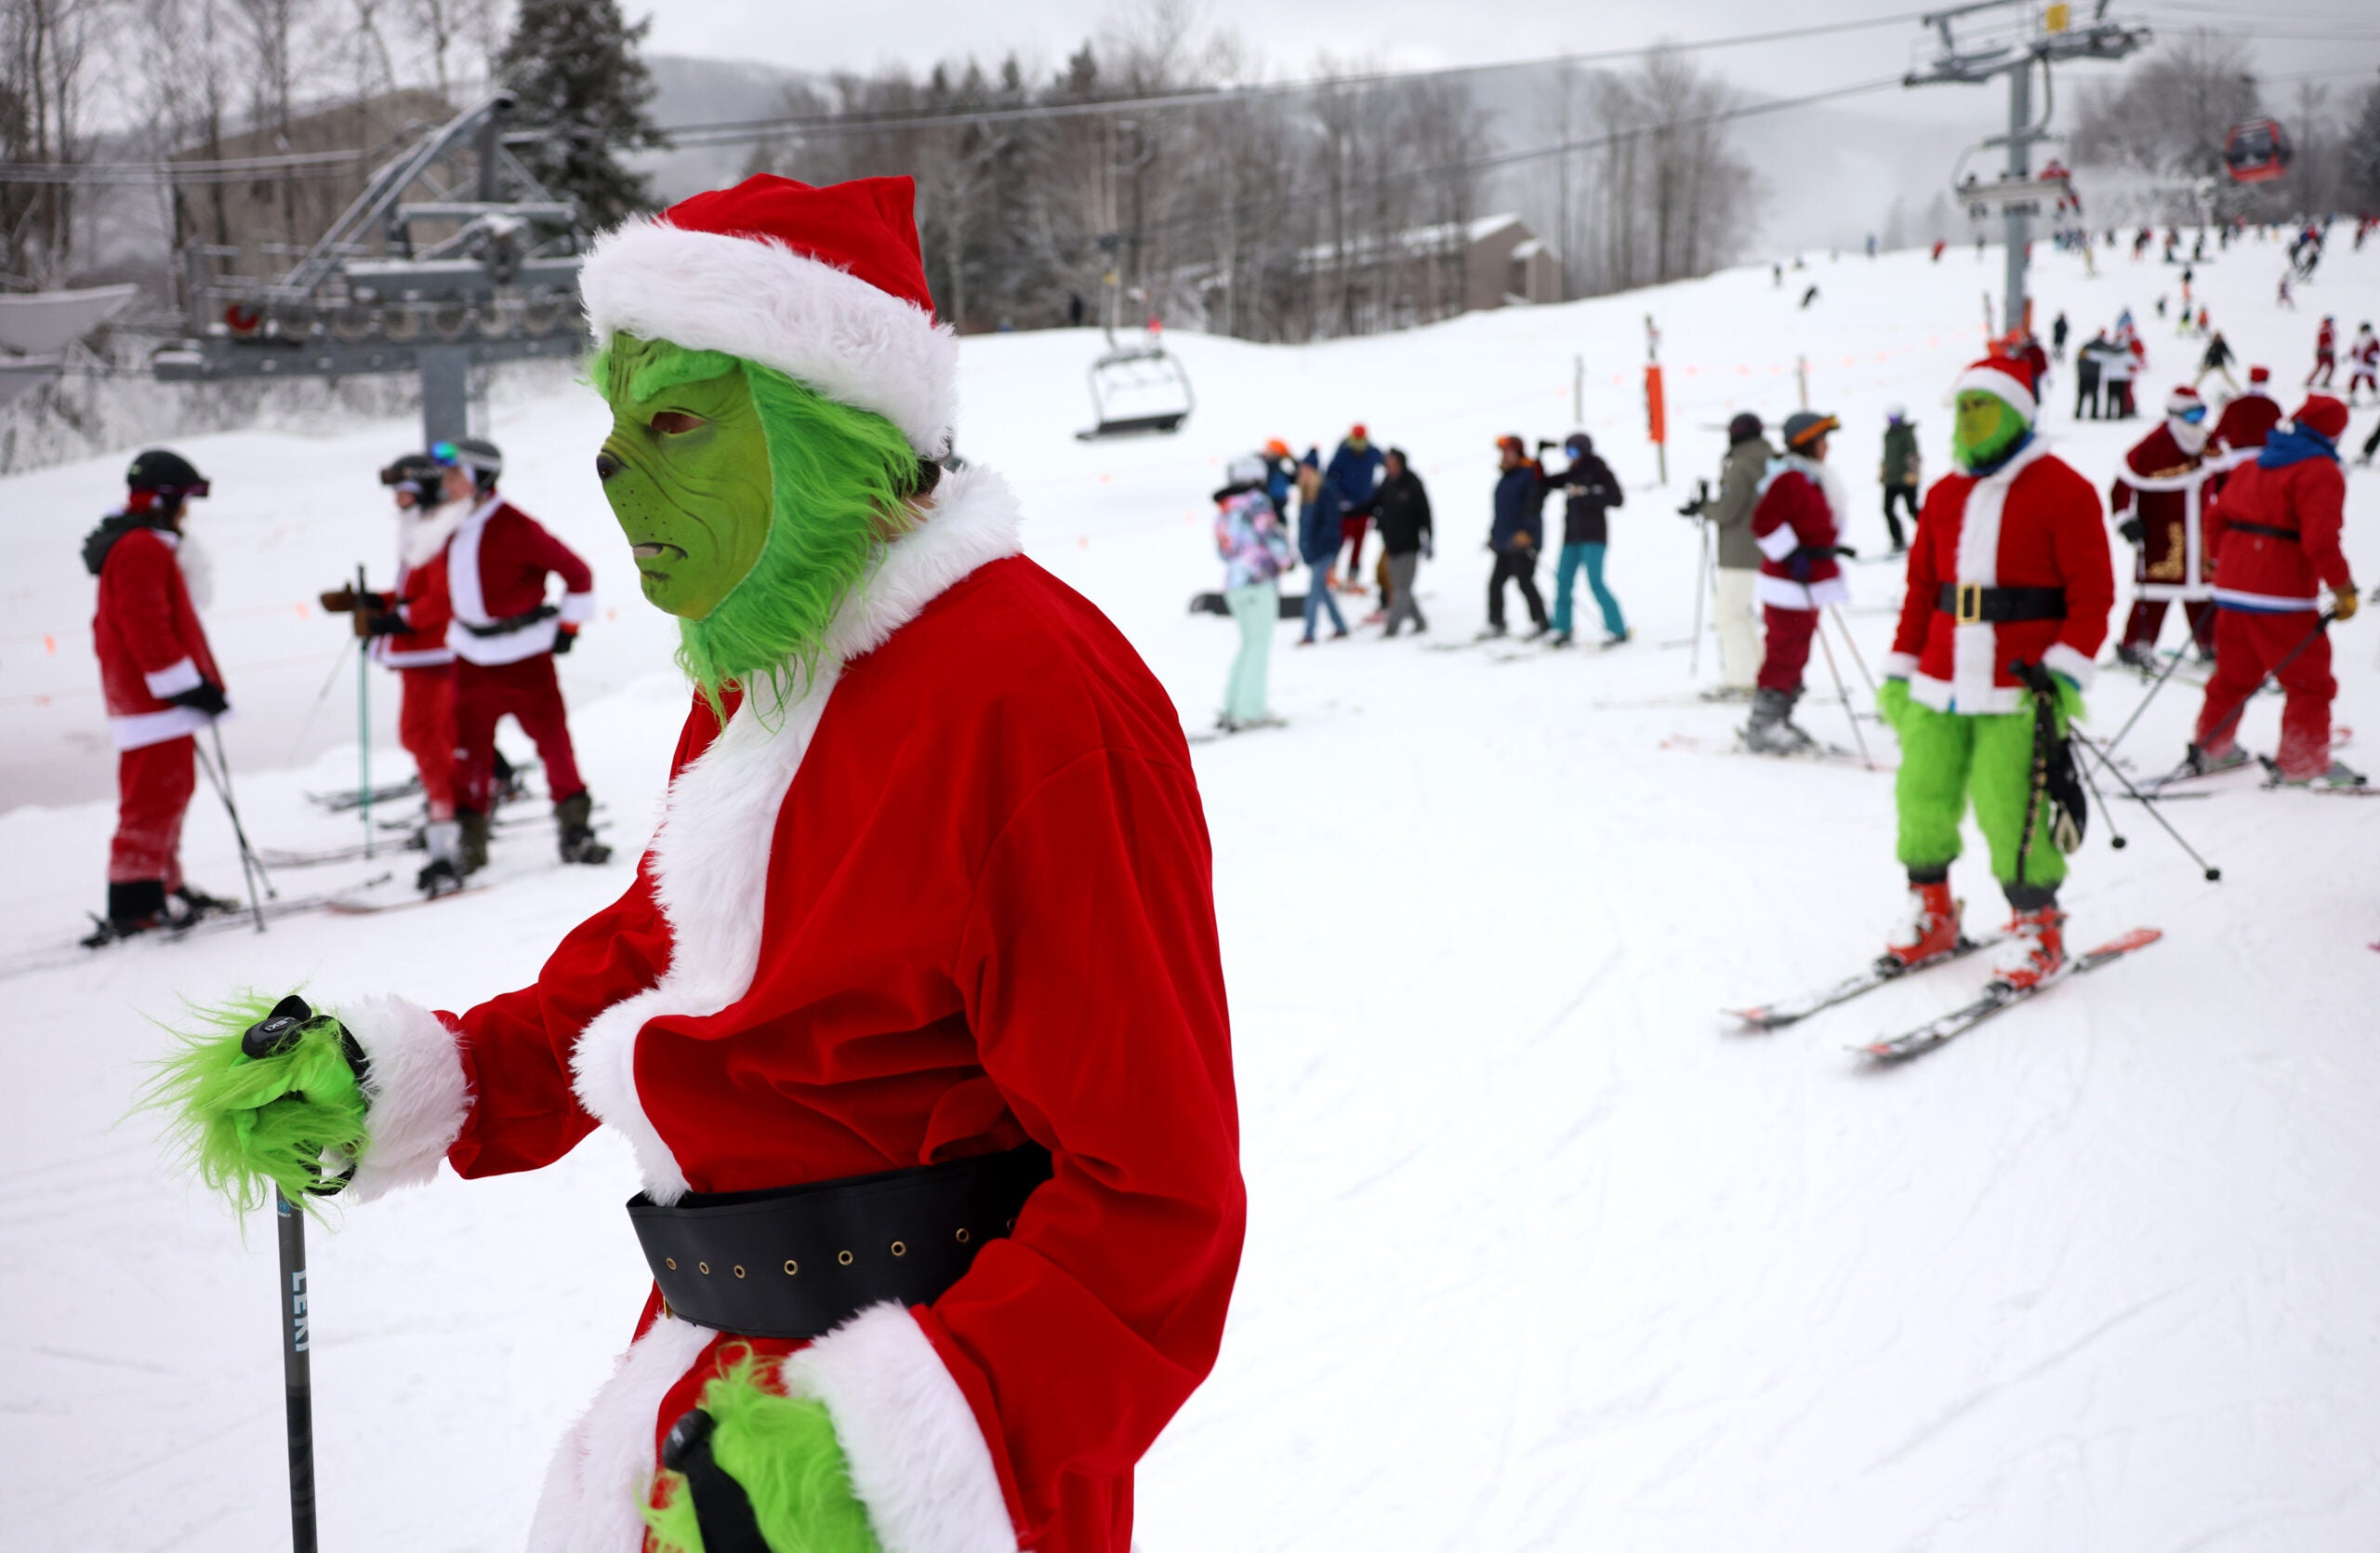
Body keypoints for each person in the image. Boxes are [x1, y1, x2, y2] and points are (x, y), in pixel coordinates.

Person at [159, 172, 1246, 1553]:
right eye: (613, 426)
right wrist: (431, 1080)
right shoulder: (770, 662)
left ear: (828, 430)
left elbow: (1159, 1193)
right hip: (707, 1391)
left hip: (912, 1458)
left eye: (672, 419)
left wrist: (896, 1442)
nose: (615, 468)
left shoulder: (1033, 698)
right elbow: (658, 958)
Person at [1878, 356, 2114, 990]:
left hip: (2022, 685)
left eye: (1983, 406)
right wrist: (1899, 670)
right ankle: (1932, 913)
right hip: (1936, 678)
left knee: (2012, 807)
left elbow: (2093, 595)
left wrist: (2064, 673)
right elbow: (1921, 589)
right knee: (1920, 795)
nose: (1969, 419)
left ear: (2018, 412)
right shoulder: (1943, 495)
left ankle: (2038, 924)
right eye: (1961, 406)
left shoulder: (2065, 490)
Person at [80, 448, 234, 942]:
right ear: (166, 500)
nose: (188, 511)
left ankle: (163, 884)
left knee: (169, 791)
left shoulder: (144, 543)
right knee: (152, 799)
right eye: (185, 500)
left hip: (156, 700)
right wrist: (186, 684)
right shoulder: (141, 547)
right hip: (154, 701)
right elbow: (145, 626)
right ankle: (134, 900)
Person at [436, 436, 611, 871]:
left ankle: (575, 831)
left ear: (480, 478)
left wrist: (568, 628)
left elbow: (578, 573)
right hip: (471, 660)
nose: (447, 482)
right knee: (468, 752)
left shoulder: (514, 526)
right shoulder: (449, 524)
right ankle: (470, 843)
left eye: (455, 474)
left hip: (524, 658)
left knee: (553, 744)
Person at [2177, 395, 2363, 787]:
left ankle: (2213, 748)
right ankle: (2304, 764)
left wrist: (2221, 565)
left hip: (2232, 591)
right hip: (2283, 598)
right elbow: (2320, 541)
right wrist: (2343, 589)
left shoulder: (2253, 463)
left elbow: (2215, 516)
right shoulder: (2320, 470)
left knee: (2233, 676)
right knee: (2309, 682)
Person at [323, 452, 468, 895]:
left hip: (435, 654)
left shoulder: (440, 534)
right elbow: (414, 592)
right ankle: (448, 813)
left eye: (405, 493)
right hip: (420, 655)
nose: (398, 502)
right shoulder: (420, 532)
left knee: (428, 739)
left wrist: (393, 621)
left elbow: (441, 600)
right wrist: (369, 600)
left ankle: (449, 834)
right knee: (424, 738)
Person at [1743, 410, 1850, 754]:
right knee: (1785, 650)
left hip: (1806, 581)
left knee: (1797, 650)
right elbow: (1763, 522)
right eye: (1822, 441)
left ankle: (1780, 718)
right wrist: (1791, 554)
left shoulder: (1809, 477)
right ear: (1807, 443)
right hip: (1789, 583)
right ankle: (1764, 724)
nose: (1827, 448)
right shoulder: (1790, 479)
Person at [2110, 386, 2219, 669]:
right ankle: (2136, 646)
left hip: (2203, 537)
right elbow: (2123, 484)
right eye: (2191, 414)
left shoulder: (2208, 444)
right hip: (2164, 536)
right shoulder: (2153, 446)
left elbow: (2227, 479)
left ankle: (2213, 646)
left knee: (2205, 597)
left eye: (2201, 413)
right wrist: (2125, 519)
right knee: (2156, 595)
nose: (2197, 422)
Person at [1684, 411, 1772, 699]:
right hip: (1767, 547)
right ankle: (1758, 674)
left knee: (1729, 614)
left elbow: (1728, 510)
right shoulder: (1772, 460)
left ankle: (1743, 680)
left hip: (1741, 551)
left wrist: (1704, 508)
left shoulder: (1740, 465)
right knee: (1740, 612)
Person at [1213, 453, 1292, 732]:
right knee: (1259, 646)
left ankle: (1232, 705)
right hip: (1257, 582)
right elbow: (1272, 535)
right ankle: (1250, 711)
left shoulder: (1224, 508)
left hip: (1234, 584)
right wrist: (1287, 559)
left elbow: (1223, 551)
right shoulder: (1256, 503)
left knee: (1248, 645)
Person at [1543, 431, 1627, 646]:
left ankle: (1617, 629)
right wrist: (1538, 457)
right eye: (1566, 452)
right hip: (1571, 537)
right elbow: (1547, 482)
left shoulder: (1599, 470)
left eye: (1572, 451)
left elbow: (1617, 498)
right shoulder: (1572, 472)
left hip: (1593, 537)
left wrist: (1587, 493)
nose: (1569, 456)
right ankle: (1561, 628)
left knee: (1595, 582)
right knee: (1563, 581)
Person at [1346, 445, 1433, 636]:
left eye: (1392, 463)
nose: (1389, 467)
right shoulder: (1387, 484)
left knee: (1401, 589)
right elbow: (1371, 505)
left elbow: (1425, 513)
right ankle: (1420, 621)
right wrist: (1349, 512)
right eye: (1387, 464)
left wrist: (1429, 539)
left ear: (1401, 463)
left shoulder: (1413, 484)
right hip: (1391, 545)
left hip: (1410, 546)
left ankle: (1391, 628)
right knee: (1401, 588)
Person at [1483, 434, 1549, 638]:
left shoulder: (1528, 474)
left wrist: (1528, 533)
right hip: (1504, 543)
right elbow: (1501, 513)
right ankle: (1497, 623)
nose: (1504, 456)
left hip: (1523, 542)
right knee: (1495, 583)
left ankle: (1541, 622)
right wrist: (1494, 536)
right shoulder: (1504, 479)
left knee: (1525, 582)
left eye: (1508, 451)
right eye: (1502, 452)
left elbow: (1534, 505)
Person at [1294, 449, 1349, 644]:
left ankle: (1309, 633)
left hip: (1324, 551)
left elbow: (1331, 523)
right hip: (1312, 551)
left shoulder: (1326, 490)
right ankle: (1341, 626)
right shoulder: (1306, 493)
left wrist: (1322, 547)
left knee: (1314, 593)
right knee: (1323, 592)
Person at [1324, 424, 1385, 591]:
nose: (1358, 445)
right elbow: (1329, 476)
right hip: (1345, 510)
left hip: (1364, 508)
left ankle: (1352, 579)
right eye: (1355, 441)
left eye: (1361, 441)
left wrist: (1377, 491)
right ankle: (1330, 574)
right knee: (1340, 542)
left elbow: (1387, 463)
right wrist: (1339, 496)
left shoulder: (1372, 452)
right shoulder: (1343, 453)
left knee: (1359, 545)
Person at [2212, 365, 2282, 454]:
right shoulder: (2273, 407)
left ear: (2249, 379)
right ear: (2267, 381)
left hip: (2237, 454)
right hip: (2264, 455)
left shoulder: (2234, 405)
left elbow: (2219, 433)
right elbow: (2280, 432)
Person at [1880, 405, 1920, 553]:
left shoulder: (1906, 433)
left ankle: (1930, 535)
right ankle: (1898, 540)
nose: (1893, 422)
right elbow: (1886, 455)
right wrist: (1883, 471)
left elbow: (1913, 454)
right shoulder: (1887, 435)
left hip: (1906, 478)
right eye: (1891, 419)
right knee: (1887, 509)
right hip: (1891, 479)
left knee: (1912, 510)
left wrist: (1913, 472)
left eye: (1895, 418)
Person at [2193, 328, 2240, 394]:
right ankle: (2192, 388)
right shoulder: (2212, 345)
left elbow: (2227, 352)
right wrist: (2204, 364)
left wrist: (2232, 359)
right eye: (2217, 337)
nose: (2218, 338)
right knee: (2201, 376)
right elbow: (2207, 355)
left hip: (2220, 364)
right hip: (2211, 364)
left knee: (2228, 378)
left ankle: (2238, 390)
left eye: (2219, 337)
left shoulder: (2222, 345)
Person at [2074, 331, 2106, 418]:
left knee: (2081, 396)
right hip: (2093, 376)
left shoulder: (2086, 347)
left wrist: (2081, 373)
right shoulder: (2101, 349)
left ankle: (2078, 413)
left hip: (2084, 376)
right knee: (2094, 396)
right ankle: (2094, 414)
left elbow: (2079, 363)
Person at [2348, 323, 2379, 403]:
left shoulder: (2373, 340)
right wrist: (2351, 356)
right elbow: (2354, 351)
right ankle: (2352, 397)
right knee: (2355, 379)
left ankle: (2375, 396)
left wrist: (2373, 360)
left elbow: (2376, 351)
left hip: (2369, 363)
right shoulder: (2358, 339)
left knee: (2370, 380)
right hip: (2359, 364)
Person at [2308, 314, 2336, 386]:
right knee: (2323, 366)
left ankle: (2324, 381)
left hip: (2327, 351)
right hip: (2324, 351)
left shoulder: (2328, 329)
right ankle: (2311, 381)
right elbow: (2322, 341)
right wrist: (2326, 348)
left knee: (2329, 366)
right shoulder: (2325, 329)